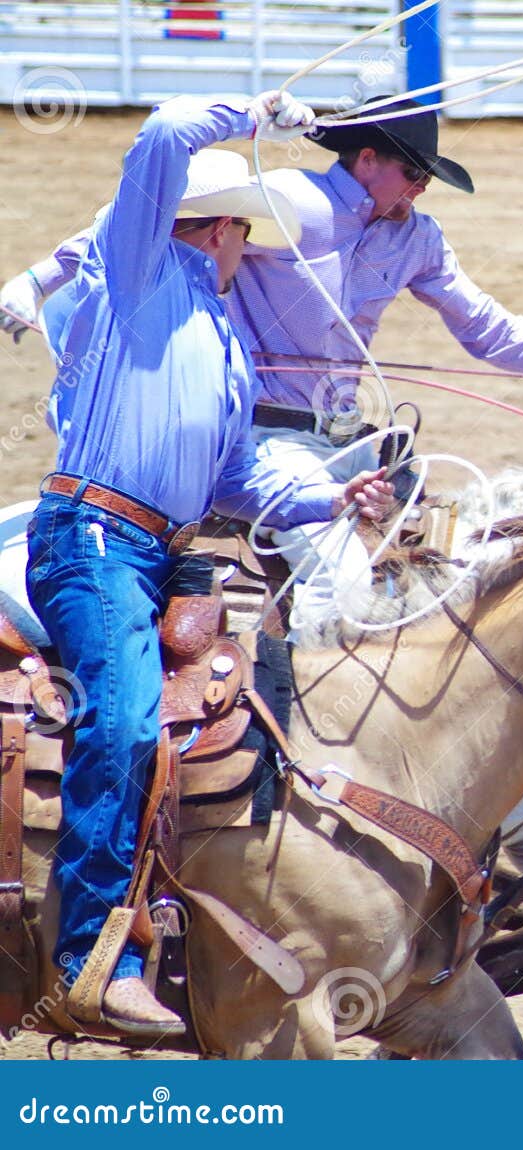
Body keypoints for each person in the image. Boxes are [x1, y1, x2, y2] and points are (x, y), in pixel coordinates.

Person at [24, 91, 395, 1036]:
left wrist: (332, 498)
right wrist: (256, 112)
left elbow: (235, 477)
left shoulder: (225, 344)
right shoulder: (137, 269)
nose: (252, 249)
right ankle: (90, 956)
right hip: (94, 539)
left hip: (156, 552)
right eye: (248, 233)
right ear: (224, 228)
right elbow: (162, 133)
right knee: (124, 718)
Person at [3, 97, 523, 633]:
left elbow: (480, 319)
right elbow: (158, 218)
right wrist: (38, 279)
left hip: (353, 444)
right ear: (368, 159)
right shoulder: (294, 204)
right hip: (266, 440)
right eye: (414, 172)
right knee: (342, 582)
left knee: (445, 556)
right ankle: (309, 700)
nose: (421, 188)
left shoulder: (418, 239)